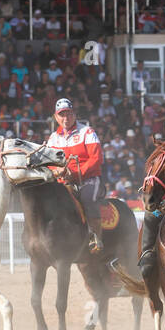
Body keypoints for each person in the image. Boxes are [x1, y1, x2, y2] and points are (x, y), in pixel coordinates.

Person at [46, 97, 106, 252]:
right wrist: (56, 171)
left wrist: (75, 173)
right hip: (64, 181)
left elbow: (96, 158)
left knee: (87, 199)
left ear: (74, 114)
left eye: (68, 114)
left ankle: (95, 237)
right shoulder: (53, 138)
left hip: (89, 179)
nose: (65, 118)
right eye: (62, 115)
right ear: (56, 117)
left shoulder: (87, 131)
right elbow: (49, 162)